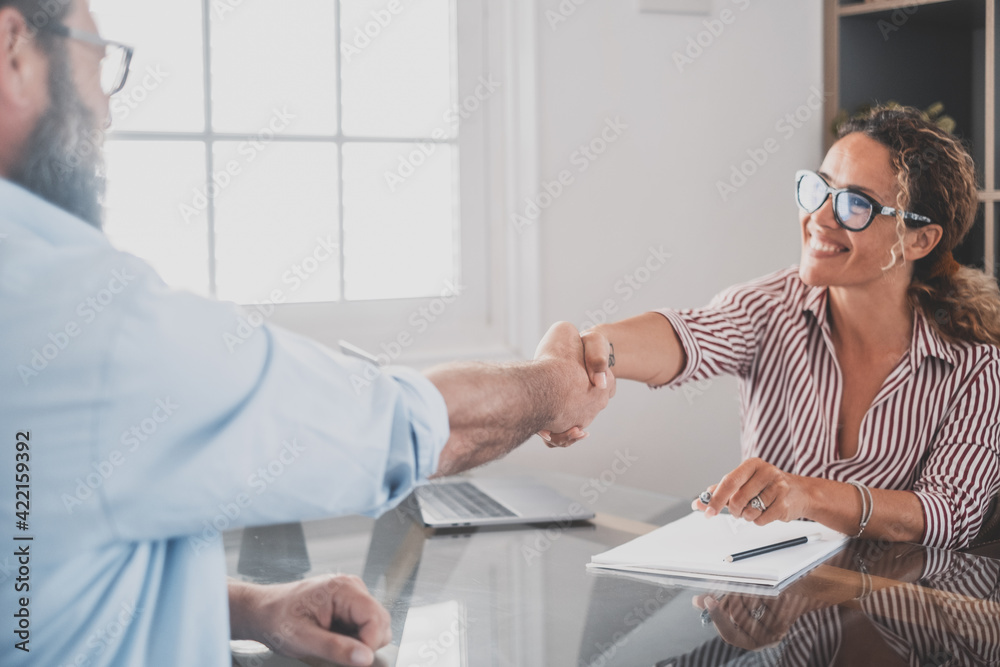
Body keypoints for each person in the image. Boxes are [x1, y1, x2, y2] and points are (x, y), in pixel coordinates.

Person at [0, 1, 610, 665]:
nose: (108, 110)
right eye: (99, 63)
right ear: (13, 48)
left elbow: (38, 563)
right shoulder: (88, 320)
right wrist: (555, 383)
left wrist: (249, 606)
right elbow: (405, 430)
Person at [545, 105, 1000, 550]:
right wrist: (598, 347)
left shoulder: (975, 366)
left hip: (899, 615)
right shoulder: (772, 307)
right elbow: (689, 336)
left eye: (855, 204)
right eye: (818, 189)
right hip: (772, 611)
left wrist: (808, 494)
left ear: (919, 239)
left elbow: (949, 513)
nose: (819, 218)